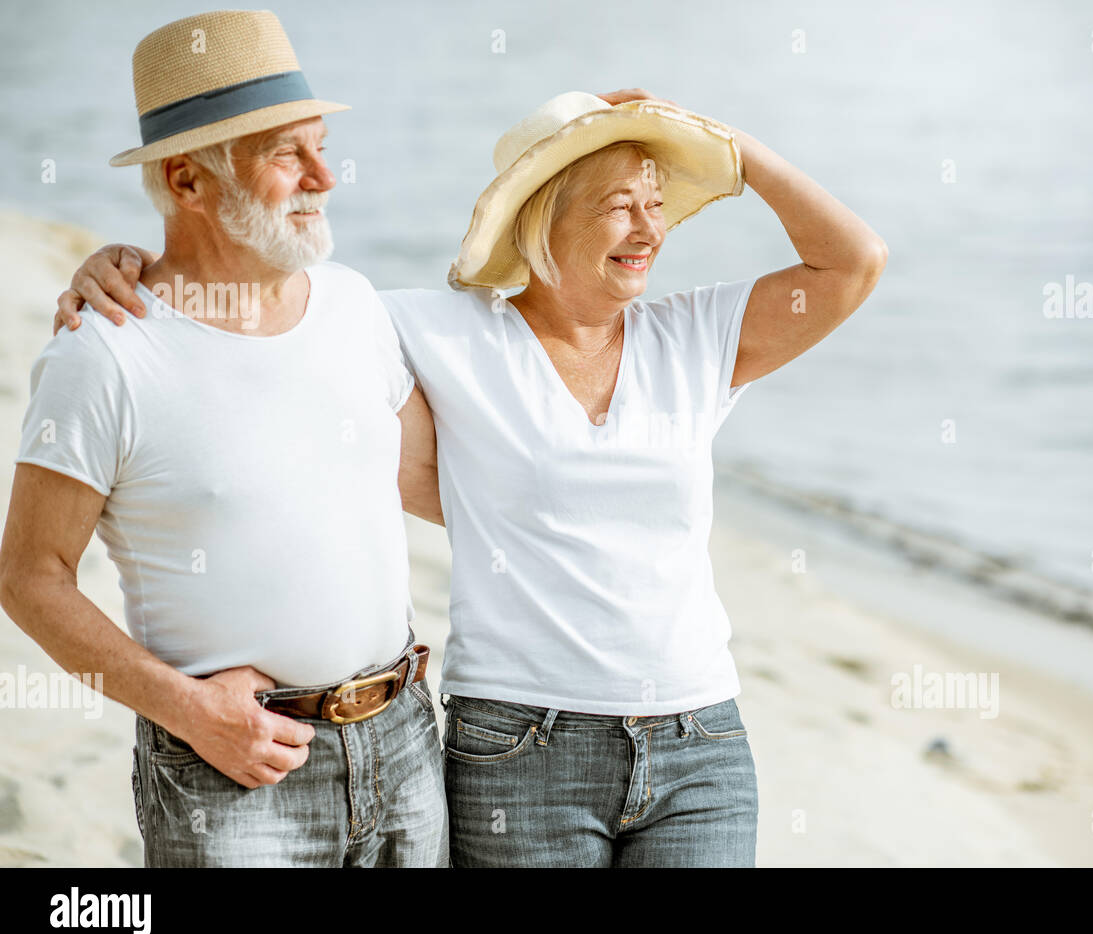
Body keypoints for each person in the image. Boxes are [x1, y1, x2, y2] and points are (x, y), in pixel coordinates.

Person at [54, 88, 887, 867]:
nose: (649, 229)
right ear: (543, 218)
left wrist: (726, 144)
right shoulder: (430, 329)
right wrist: (128, 266)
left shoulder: (698, 337)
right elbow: (262, 299)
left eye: (658, 202)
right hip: (521, 745)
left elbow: (852, 261)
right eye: (618, 205)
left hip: (700, 742)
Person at [0, 10, 448, 867]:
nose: (326, 175)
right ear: (187, 180)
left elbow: (436, 479)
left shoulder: (354, 303)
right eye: (288, 154)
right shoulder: (101, 356)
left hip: (405, 742)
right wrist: (191, 710)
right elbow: (28, 578)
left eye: (321, 145)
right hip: (234, 773)